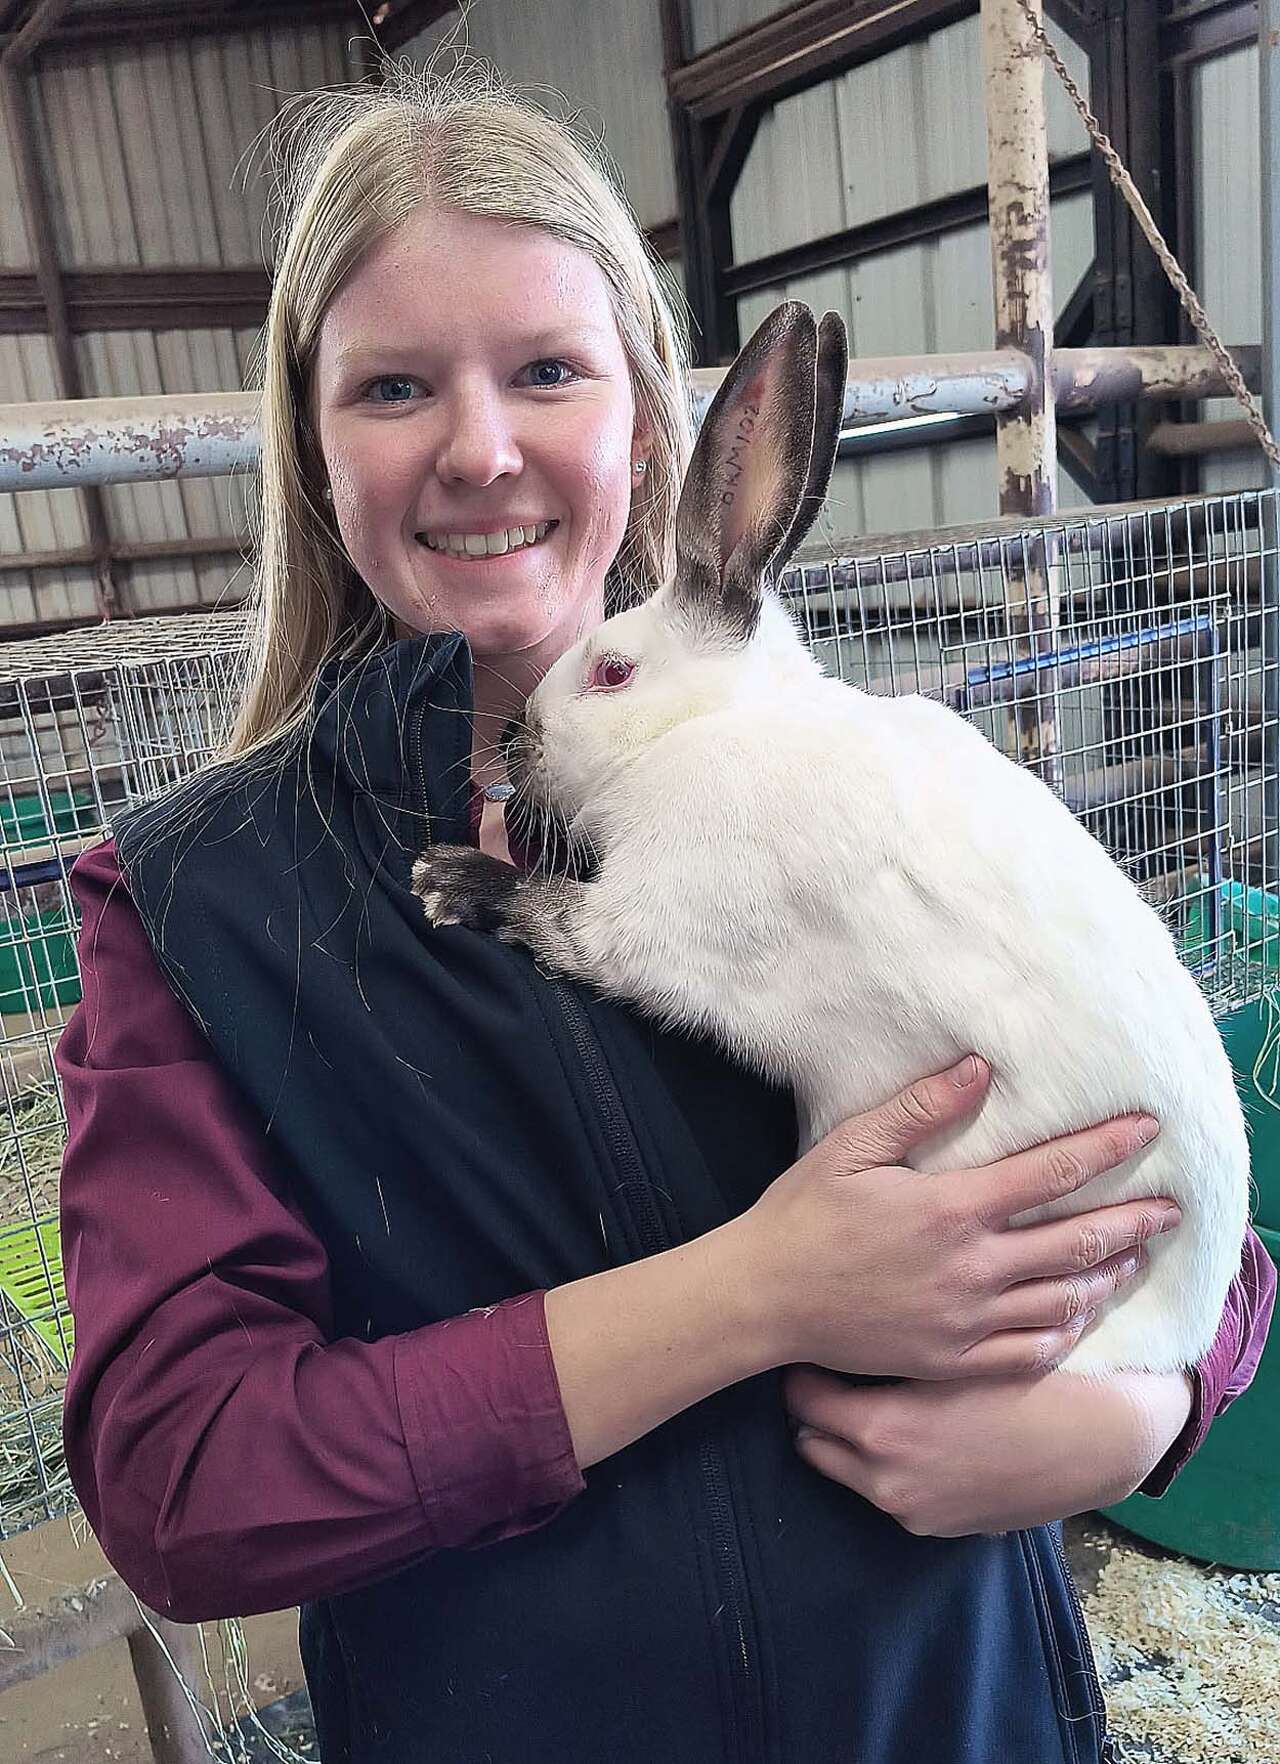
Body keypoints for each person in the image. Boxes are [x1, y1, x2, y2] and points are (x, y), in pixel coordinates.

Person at [58, 60, 1274, 1764]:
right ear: (311, 440)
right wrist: (758, 1297)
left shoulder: (835, 772)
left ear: (650, 417)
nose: (483, 449)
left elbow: (1169, 1174)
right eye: (395, 386)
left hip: (948, 1713)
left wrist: (1136, 1421)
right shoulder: (194, 912)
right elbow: (182, 1482)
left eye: (547, 372)